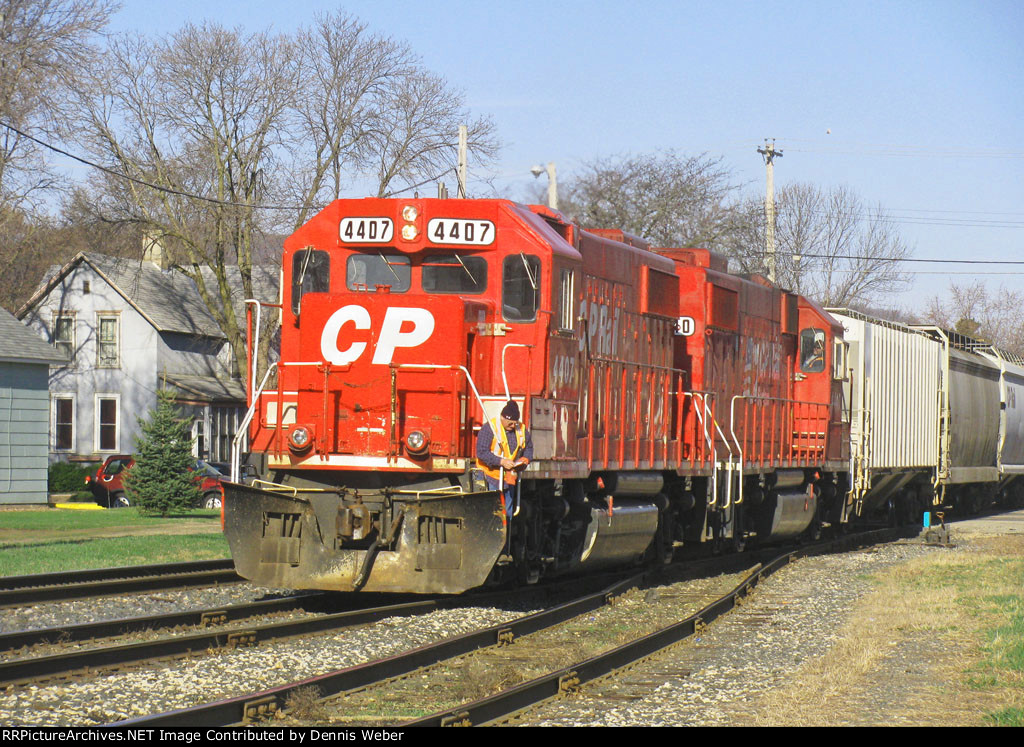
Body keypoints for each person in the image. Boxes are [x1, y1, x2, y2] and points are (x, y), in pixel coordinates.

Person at [476, 400, 533, 514]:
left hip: (508, 478)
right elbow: (481, 452)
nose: (513, 426)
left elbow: (529, 448)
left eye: (515, 423)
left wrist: (524, 461)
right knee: (492, 512)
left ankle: (507, 530)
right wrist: (501, 461)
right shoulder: (489, 428)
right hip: (489, 477)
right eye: (510, 423)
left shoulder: (521, 430)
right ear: (503, 417)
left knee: (507, 512)